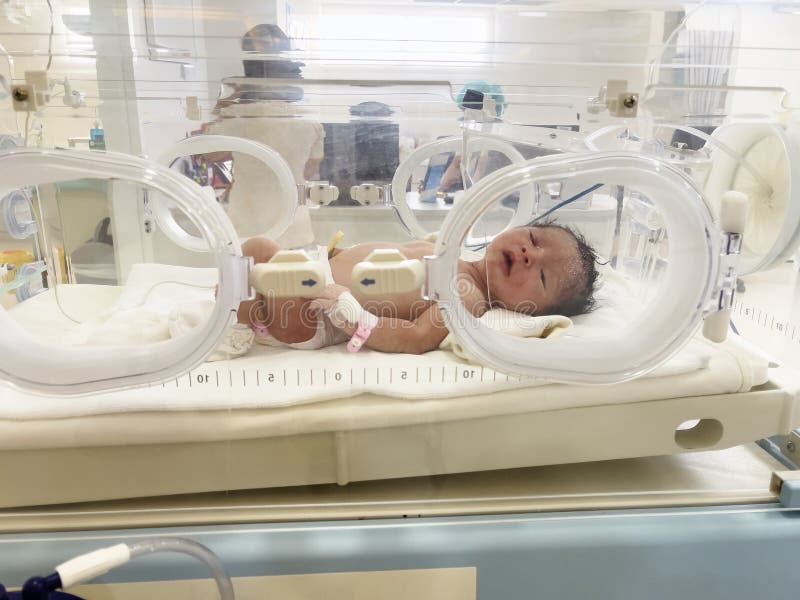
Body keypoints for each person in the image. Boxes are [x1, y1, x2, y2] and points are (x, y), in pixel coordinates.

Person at [235, 222, 599, 355]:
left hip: (313, 317)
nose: (527, 254)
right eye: (534, 238)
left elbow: (416, 336)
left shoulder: (467, 296)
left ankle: (241, 316)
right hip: (312, 276)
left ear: (531, 309)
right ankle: (241, 312)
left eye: (542, 277)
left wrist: (352, 315)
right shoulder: (450, 252)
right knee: (256, 247)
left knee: (264, 256)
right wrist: (336, 256)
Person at [201, 24, 324, 244]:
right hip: (294, 228)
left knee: (249, 278)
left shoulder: (238, 117)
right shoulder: (309, 119)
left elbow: (208, 154)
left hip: (249, 228)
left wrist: (226, 100)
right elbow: (311, 169)